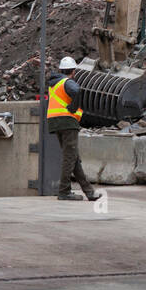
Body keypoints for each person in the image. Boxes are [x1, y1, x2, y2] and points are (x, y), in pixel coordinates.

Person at [46, 56, 100, 202]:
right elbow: (76, 91)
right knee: (69, 157)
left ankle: (89, 192)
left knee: (73, 157)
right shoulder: (67, 82)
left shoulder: (54, 83)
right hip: (67, 122)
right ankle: (64, 191)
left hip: (55, 121)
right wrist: (74, 107)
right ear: (73, 71)